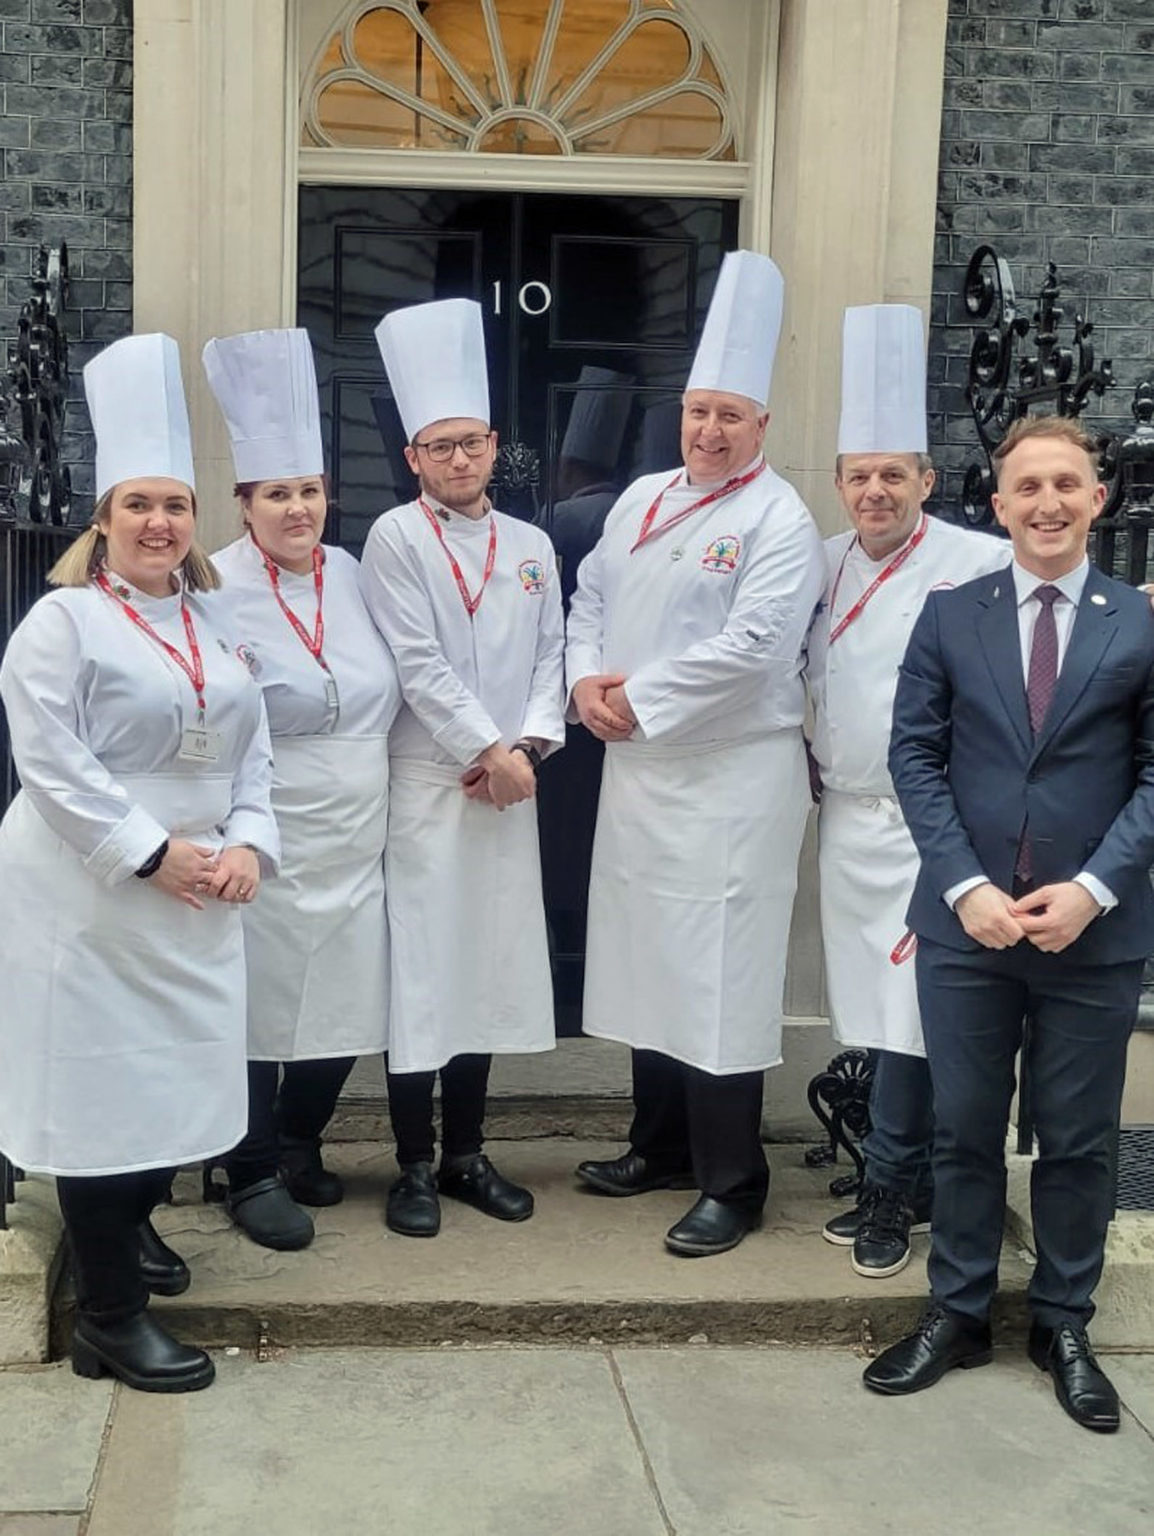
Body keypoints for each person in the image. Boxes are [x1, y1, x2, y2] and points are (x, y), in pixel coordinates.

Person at [0, 334, 278, 1392]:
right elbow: (51, 766)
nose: (159, 524)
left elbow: (254, 747)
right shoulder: (61, 623)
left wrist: (250, 842)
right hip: (91, 893)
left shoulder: (216, 623)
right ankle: (109, 1317)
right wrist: (151, 851)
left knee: (180, 1082)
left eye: (175, 505)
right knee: (100, 1096)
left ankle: (131, 1242)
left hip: (201, 895)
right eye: (138, 506)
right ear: (103, 522)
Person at [866, 414, 1154, 1434]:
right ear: (994, 505)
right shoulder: (952, 616)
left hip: (1093, 937)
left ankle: (1063, 1323)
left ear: (1096, 499)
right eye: (1024, 486)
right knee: (960, 1132)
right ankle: (956, 1311)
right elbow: (913, 756)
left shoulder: (1137, 620)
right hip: (966, 932)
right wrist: (961, 887)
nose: (1045, 503)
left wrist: (1092, 889)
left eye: (1064, 485)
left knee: (1077, 1142)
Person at [567, 251, 826, 1257]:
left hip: (727, 776)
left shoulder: (778, 518)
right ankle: (658, 1146)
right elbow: (588, 594)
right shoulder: (637, 499)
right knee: (646, 959)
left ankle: (735, 1179)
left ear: (760, 425)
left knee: (717, 973)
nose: (708, 430)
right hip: (640, 772)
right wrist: (584, 681)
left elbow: (756, 644)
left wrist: (635, 697)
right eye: (695, 411)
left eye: (728, 414)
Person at [807, 305, 1008, 1278]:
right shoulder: (821, 564)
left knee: (910, 1014)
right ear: (840, 484)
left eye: (893, 474)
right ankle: (904, 1174)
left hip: (935, 824)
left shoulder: (977, 562)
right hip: (847, 821)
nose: (874, 490)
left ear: (925, 482)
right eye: (859, 476)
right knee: (875, 1010)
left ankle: (894, 1193)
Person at [360, 298, 565, 1238]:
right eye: (438, 447)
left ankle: (468, 1155)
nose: (457, 460)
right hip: (428, 784)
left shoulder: (533, 547)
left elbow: (552, 658)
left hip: (505, 786)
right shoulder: (395, 539)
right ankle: (409, 1162)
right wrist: (487, 750)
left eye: (471, 443)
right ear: (412, 458)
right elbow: (416, 662)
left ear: (494, 445)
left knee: (484, 968)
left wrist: (525, 748)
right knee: (426, 973)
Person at [204, 328, 402, 1251]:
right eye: (277, 493)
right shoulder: (211, 587)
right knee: (258, 1000)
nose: (298, 508)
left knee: (345, 999)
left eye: (310, 490)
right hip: (267, 825)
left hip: (358, 828)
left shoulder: (357, 575)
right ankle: (245, 1169)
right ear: (244, 504)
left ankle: (298, 1142)